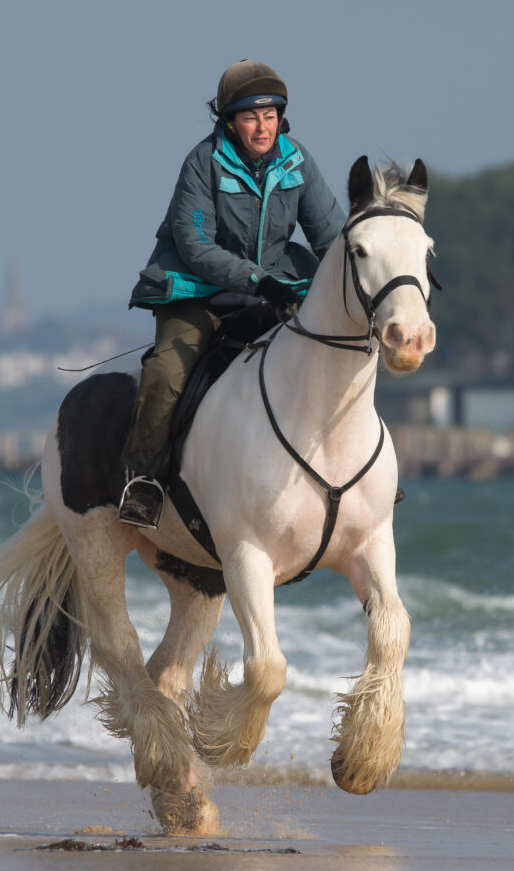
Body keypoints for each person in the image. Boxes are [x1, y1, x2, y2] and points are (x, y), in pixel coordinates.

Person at [117, 60, 346, 528]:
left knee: (329, 355)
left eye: (270, 116)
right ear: (228, 121)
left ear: (282, 117)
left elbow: (332, 238)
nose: (262, 127)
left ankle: (352, 473)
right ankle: (142, 481)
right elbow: (196, 247)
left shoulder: (297, 162)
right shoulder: (203, 162)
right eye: (249, 117)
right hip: (197, 294)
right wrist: (260, 281)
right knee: (166, 371)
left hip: (269, 293)